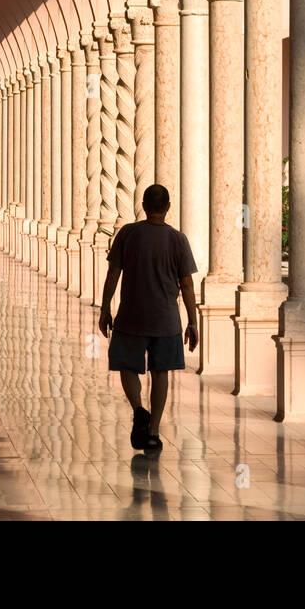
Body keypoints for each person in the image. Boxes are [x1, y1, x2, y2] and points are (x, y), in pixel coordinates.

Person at [98, 184, 199, 454]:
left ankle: (138, 410)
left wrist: (105, 308)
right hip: (165, 319)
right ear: (168, 207)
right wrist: (193, 321)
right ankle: (153, 432)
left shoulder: (128, 234)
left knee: (127, 366)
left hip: (132, 315)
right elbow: (187, 285)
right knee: (160, 372)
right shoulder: (178, 240)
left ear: (143, 205)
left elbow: (113, 274)